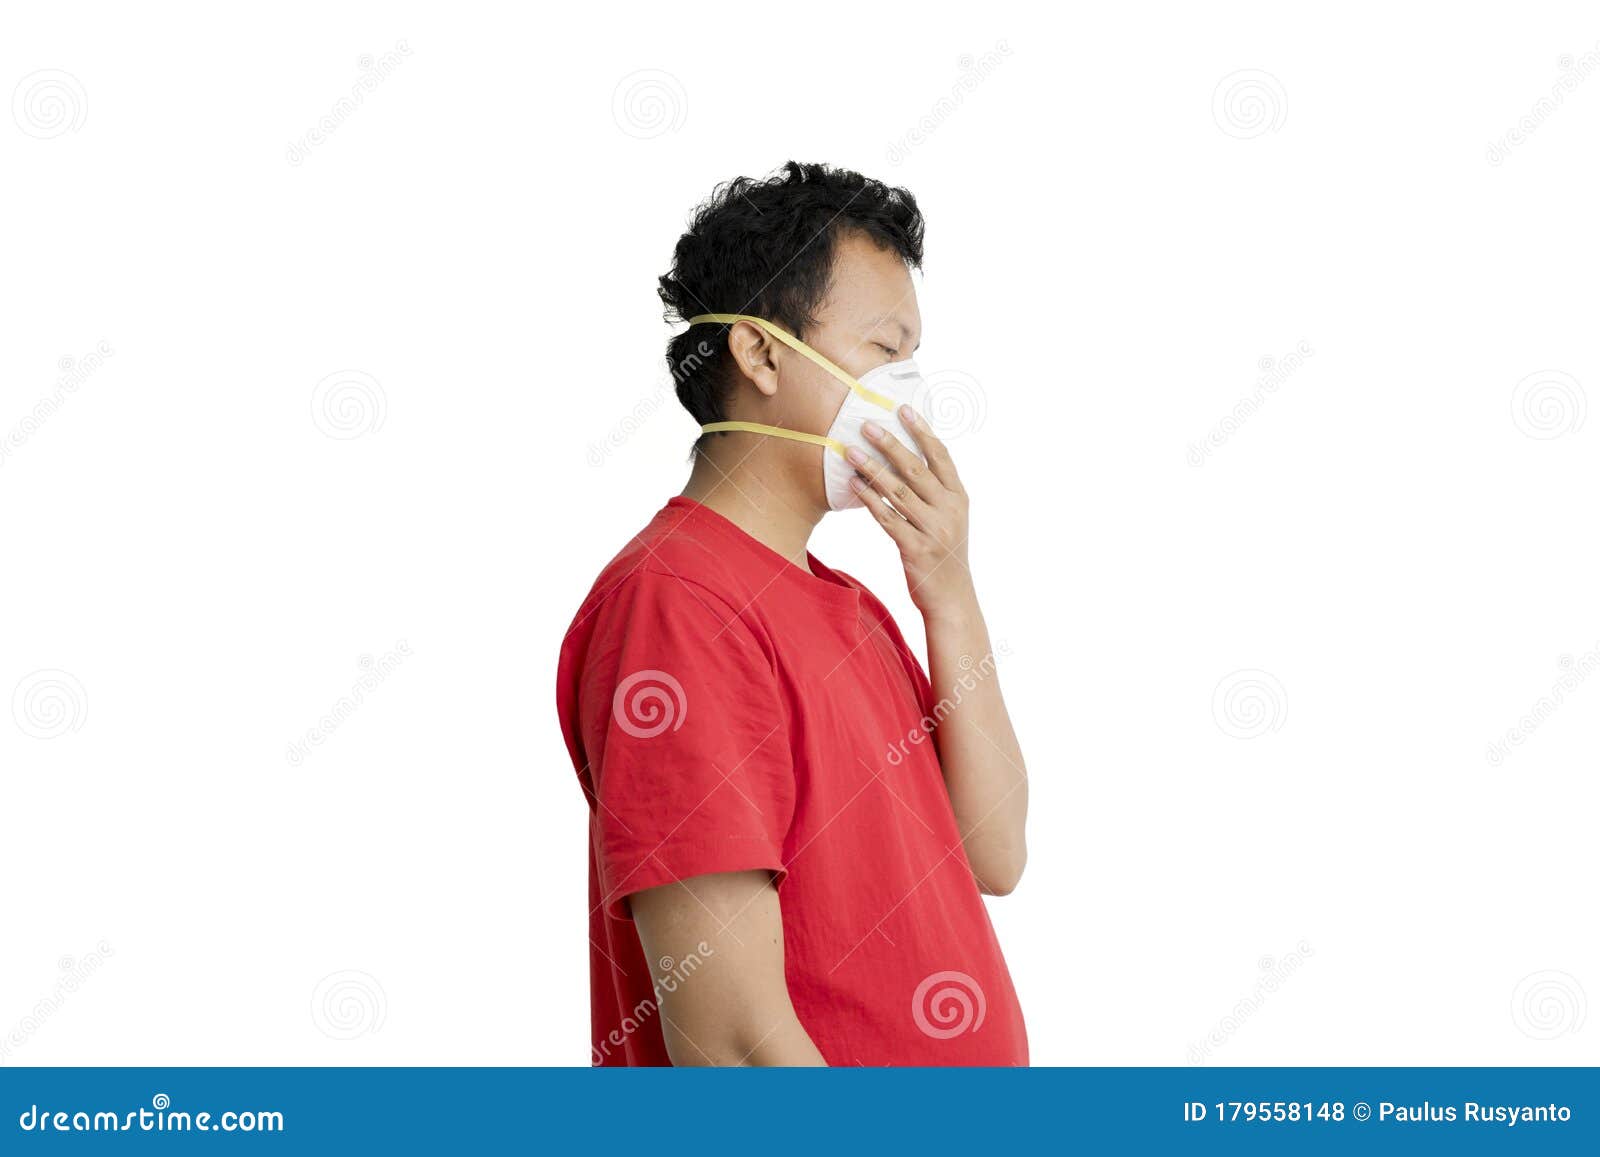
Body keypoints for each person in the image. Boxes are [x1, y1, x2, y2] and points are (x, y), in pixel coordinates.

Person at [557, 161, 1030, 1066]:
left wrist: (950, 592)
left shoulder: (851, 608)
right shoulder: (679, 607)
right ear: (761, 353)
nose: (910, 390)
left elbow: (997, 853)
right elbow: (732, 1042)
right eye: (884, 351)